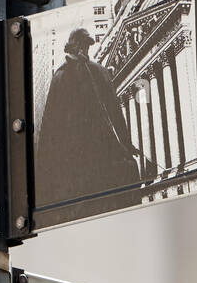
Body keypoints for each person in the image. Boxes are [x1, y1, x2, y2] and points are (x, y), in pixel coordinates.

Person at [34, 26, 150, 207]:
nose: (85, 50)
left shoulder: (98, 72)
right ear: (73, 47)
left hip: (103, 145)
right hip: (76, 153)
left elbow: (115, 112)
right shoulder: (60, 76)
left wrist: (126, 144)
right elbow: (51, 125)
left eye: (87, 46)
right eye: (82, 46)